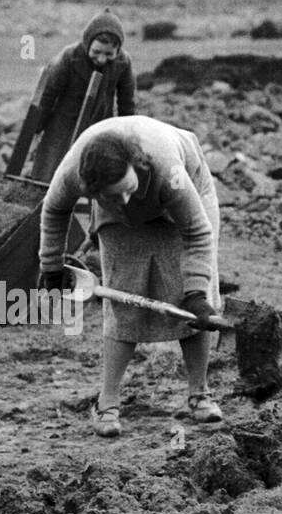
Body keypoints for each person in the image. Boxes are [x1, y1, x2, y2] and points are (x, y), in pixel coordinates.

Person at [38, 115, 224, 438]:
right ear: (91, 189)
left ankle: (200, 393)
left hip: (181, 200)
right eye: (112, 195)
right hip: (117, 219)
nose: (123, 200)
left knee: (193, 303)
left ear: (136, 166)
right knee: (123, 301)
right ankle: (107, 403)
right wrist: (51, 268)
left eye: (126, 189)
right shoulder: (74, 173)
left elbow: (197, 232)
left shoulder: (169, 171)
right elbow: (54, 211)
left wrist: (195, 293)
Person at [30, 9, 136, 181]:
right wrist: (36, 127)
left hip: (99, 123)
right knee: (53, 170)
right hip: (64, 124)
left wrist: (126, 136)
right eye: (96, 52)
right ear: (88, 44)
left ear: (118, 50)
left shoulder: (123, 62)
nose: (101, 59)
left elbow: (126, 102)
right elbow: (49, 94)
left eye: (109, 54)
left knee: (92, 172)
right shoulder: (69, 56)